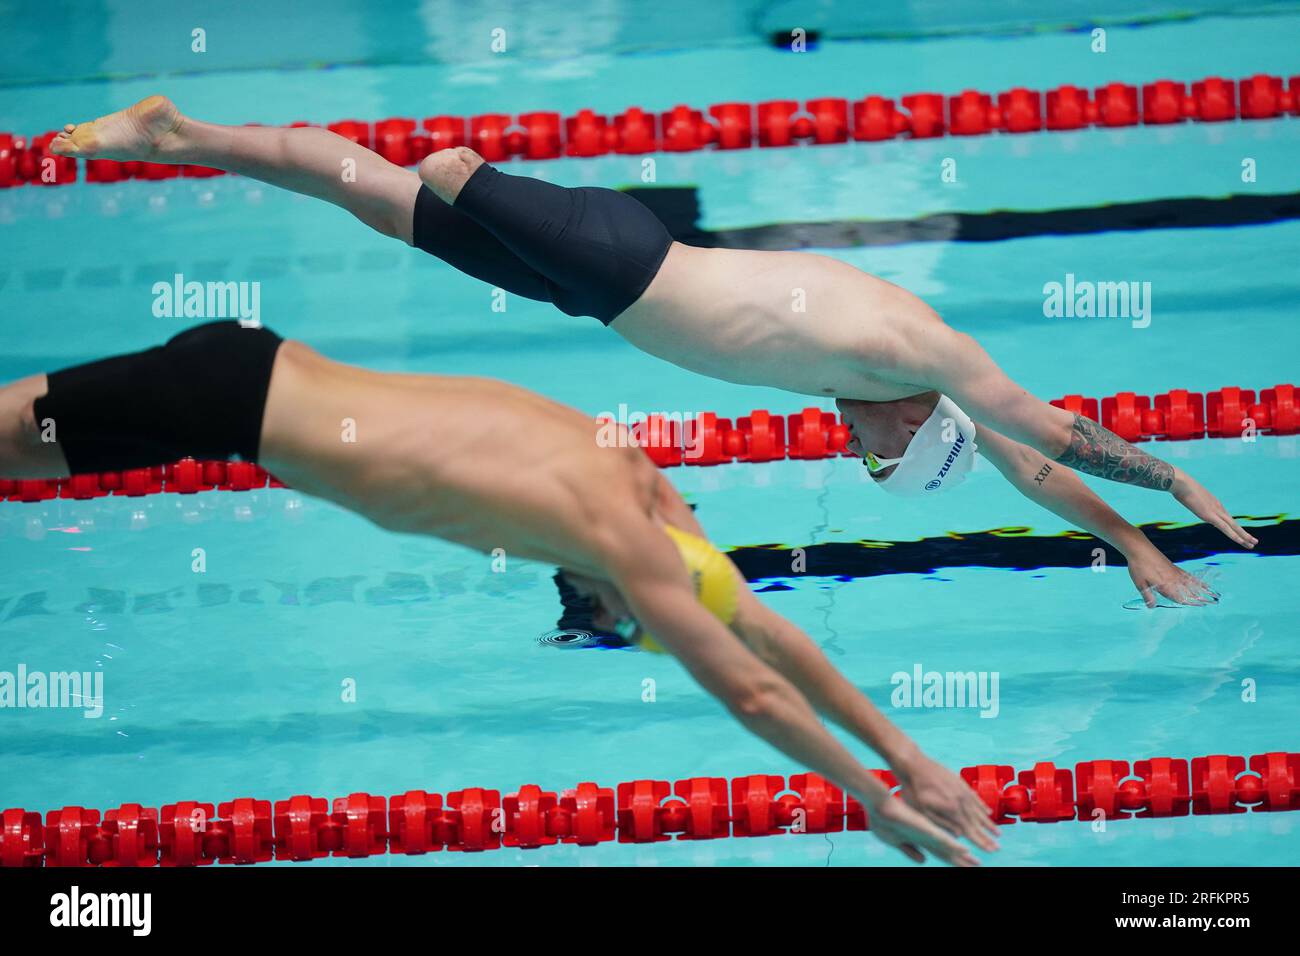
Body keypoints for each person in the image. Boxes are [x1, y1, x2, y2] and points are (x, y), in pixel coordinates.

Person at [49, 96, 1255, 608]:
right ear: (908, 423)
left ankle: (178, 134)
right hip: (620, 256)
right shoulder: (911, 348)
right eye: (881, 459)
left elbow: (1022, 468)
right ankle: (433, 164)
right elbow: (1049, 433)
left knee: (369, 198)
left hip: (598, 288)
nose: (856, 450)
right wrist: (1180, 486)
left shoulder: (903, 392)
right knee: (438, 178)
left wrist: (1135, 546)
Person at [0, 320, 998, 865]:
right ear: (615, 590)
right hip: (221, 397)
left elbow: (763, 629)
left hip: (238, 382)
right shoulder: (606, 527)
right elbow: (751, 689)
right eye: (629, 622)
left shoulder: (636, 479)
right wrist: (871, 794)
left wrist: (909, 753)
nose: (625, 619)